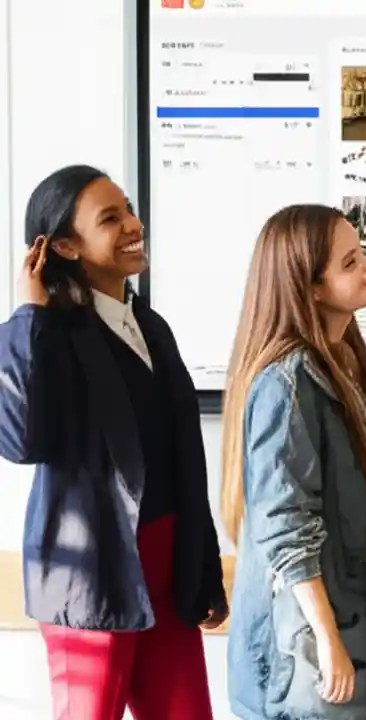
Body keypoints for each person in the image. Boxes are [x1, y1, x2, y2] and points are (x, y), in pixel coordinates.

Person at [0, 165, 225, 719]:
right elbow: (19, 440)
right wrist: (28, 314)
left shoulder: (151, 325)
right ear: (65, 246)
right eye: (110, 218)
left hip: (168, 565)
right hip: (91, 571)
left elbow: (185, 459)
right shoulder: (48, 334)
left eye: (129, 210)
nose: (133, 225)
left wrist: (204, 570)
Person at [222, 204, 366, 720]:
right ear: (311, 288)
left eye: (363, 254)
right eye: (350, 262)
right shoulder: (286, 382)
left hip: (355, 624)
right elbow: (285, 524)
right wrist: (328, 640)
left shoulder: (341, 360)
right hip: (309, 652)